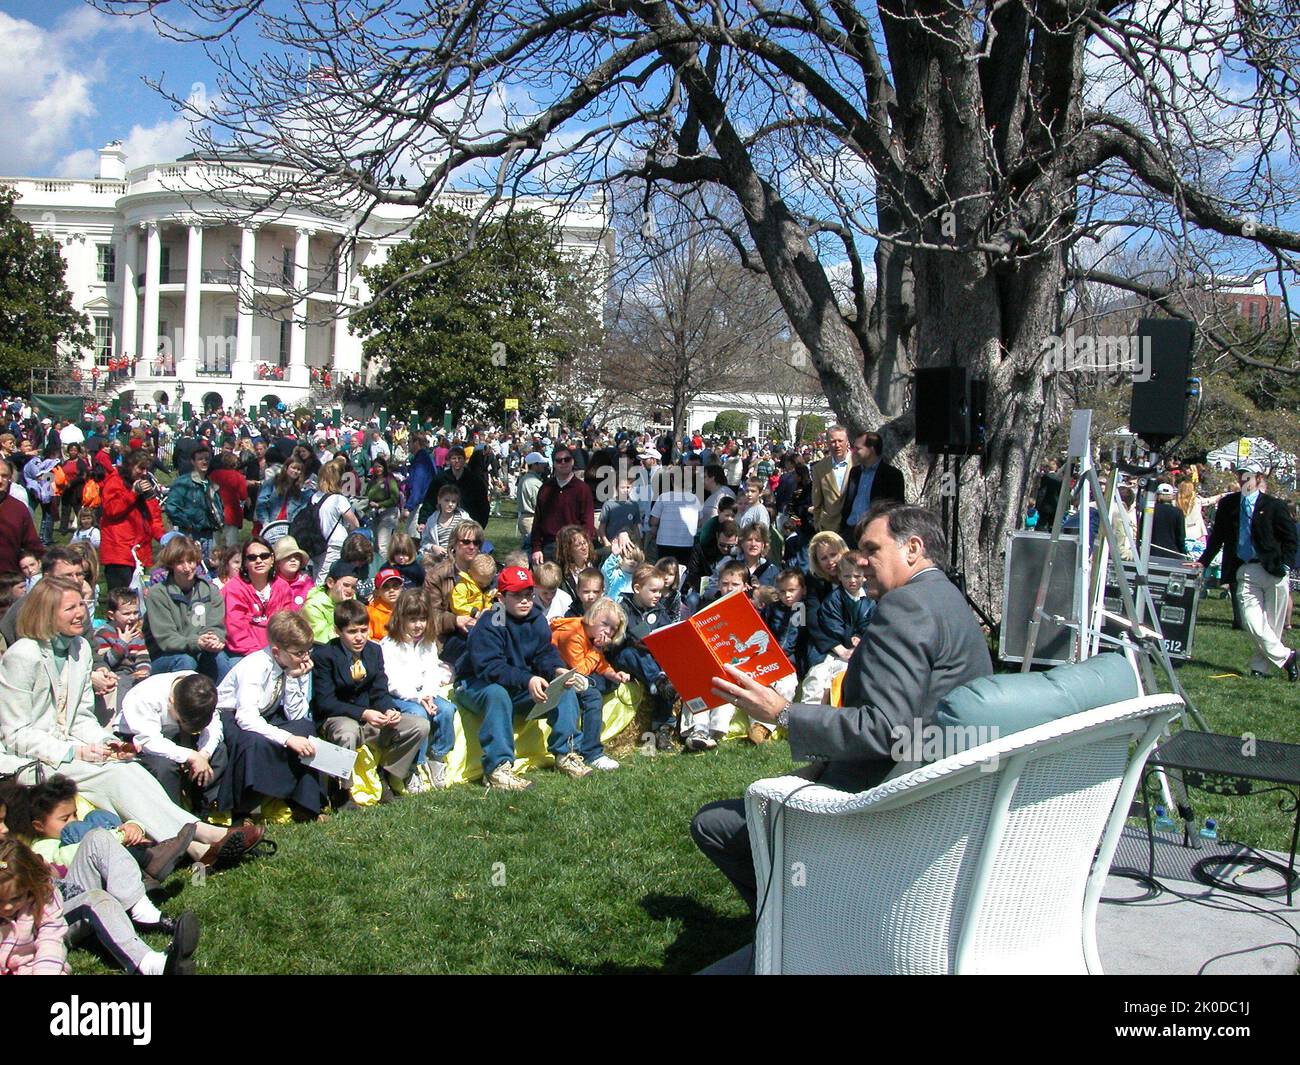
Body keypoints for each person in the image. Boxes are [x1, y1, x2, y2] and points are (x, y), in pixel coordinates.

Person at [691, 502, 993, 911]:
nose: (861, 561)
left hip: (880, 808)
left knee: (714, 824)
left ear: (913, 548)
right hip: (931, 793)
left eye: (871, 549)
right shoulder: (947, 597)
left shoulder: (905, 606)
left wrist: (782, 712)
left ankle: (798, 925)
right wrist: (820, 765)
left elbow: (884, 728)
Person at [0, 578, 262, 869]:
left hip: (69, 748)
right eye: (69, 608)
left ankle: (199, 848)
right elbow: (15, 733)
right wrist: (74, 752)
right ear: (47, 612)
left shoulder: (80, 649)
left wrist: (107, 744)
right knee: (116, 777)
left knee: (129, 768)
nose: (80, 613)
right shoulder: (23, 655)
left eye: (81, 605)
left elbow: (81, 718)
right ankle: (203, 835)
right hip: (31, 758)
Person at [454, 565, 590, 790]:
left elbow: (544, 652)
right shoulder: (492, 620)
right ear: (500, 597)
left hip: (516, 686)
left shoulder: (535, 618)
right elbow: (490, 667)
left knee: (563, 688)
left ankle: (567, 754)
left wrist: (557, 669)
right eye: (517, 595)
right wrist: (527, 679)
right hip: (475, 683)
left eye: (528, 594)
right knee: (497, 693)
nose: (525, 601)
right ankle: (498, 769)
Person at [312, 599, 431, 806]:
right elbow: (326, 702)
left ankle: (385, 775)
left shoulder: (374, 651)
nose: (359, 637)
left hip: (370, 719)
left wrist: (389, 709)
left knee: (419, 725)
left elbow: (380, 691)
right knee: (347, 732)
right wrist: (364, 713)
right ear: (337, 631)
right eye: (352, 631)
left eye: (363, 630)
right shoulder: (325, 655)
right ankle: (341, 790)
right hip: (338, 717)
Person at [217, 611, 327, 820]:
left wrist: (295, 679)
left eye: (307, 651)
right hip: (232, 715)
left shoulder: (294, 665)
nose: (305, 657)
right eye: (298, 653)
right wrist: (287, 739)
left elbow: (296, 714)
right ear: (277, 651)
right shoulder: (255, 666)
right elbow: (246, 717)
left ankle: (305, 805)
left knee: (305, 729)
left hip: (266, 713)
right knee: (252, 741)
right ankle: (245, 810)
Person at [1198, 462, 1298, 680]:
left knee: (1271, 625)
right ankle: (1287, 657)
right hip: (1245, 568)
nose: (1244, 481)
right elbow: (1218, 537)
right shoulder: (1229, 504)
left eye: (1248, 477)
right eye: (1241, 476)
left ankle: (1259, 668)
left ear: (1259, 478)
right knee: (1251, 621)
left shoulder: (1274, 506)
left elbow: (1291, 539)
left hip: (1273, 570)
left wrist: (1286, 565)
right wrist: (1203, 561)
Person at [115, 671, 228, 815]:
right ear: (171, 700)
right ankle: (172, 817)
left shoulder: (200, 690)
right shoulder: (145, 696)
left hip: (176, 735)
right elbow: (149, 741)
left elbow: (213, 726)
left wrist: (203, 754)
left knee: (218, 750)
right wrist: (191, 755)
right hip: (136, 739)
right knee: (164, 767)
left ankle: (204, 811)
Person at [380, 590, 457, 791]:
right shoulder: (390, 645)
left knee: (447, 709)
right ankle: (414, 765)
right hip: (401, 696)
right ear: (401, 618)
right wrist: (417, 698)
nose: (418, 625)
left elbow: (433, 671)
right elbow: (392, 682)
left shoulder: (428, 643)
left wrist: (429, 694)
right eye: (412, 619)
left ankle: (437, 757)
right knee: (419, 715)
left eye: (422, 619)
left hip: (425, 694)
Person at [549, 597, 630, 771]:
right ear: (592, 617)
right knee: (592, 695)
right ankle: (592, 753)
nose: (608, 631)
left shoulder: (591, 634)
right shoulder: (571, 633)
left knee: (603, 683)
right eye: (605, 624)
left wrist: (615, 675)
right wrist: (597, 649)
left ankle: (590, 751)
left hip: (575, 677)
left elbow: (599, 663)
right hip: (556, 678)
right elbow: (580, 671)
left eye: (613, 629)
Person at [144, 536, 233, 682]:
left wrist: (213, 639)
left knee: (220, 659)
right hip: (166, 656)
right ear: (171, 564)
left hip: (200, 648)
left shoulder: (209, 590)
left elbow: (216, 625)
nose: (187, 568)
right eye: (180, 562)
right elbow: (166, 638)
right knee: (186, 661)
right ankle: (182, 703)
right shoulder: (158, 594)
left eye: (190, 561)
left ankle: (224, 702)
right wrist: (196, 642)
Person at [100, 449, 165, 592]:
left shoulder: (144, 484)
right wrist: (132, 494)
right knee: (121, 597)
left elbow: (153, 516)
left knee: (139, 598)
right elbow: (111, 510)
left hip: (140, 549)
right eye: (141, 468)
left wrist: (164, 538)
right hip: (120, 550)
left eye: (146, 469)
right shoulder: (115, 481)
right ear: (130, 466)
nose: (144, 472)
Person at [529, 444, 596, 565]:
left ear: (573, 461)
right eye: (559, 460)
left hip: (574, 547)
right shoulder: (546, 489)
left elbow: (588, 522)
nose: (563, 463)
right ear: (554, 464)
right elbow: (538, 521)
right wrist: (536, 548)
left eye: (567, 459)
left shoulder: (582, 489)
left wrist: (584, 547)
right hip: (549, 547)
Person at [838, 430, 906, 538]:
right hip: (850, 531)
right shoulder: (855, 472)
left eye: (858, 448)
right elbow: (849, 501)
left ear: (872, 449)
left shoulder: (892, 475)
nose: (853, 451)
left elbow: (896, 508)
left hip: (875, 533)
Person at [163, 443, 224, 560]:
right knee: (190, 563)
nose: (204, 462)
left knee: (208, 566)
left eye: (207, 459)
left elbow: (217, 507)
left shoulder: (211, 483)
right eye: (200, 459)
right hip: (189, 533)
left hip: (209, 533)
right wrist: (188, 523)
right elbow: (171, 507)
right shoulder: (183, 483)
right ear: (193, 461)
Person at [221, 537, 278, 659]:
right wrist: (261, 656)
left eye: (264, 556)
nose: (259, 561)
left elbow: (286, 626)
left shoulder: (282, 587)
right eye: (252, 558)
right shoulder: (234, 588)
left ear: (272, 559)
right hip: (242, 654)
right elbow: (236, 631)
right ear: (245, 563)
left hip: (278, 653)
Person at [307, 461, 360, 585]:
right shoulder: (338, 499)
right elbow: (355, 523)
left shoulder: (314, 497)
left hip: (316, 544)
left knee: (317, 575)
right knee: (325, 581)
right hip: (334, 544)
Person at [0, 457, 42, 576]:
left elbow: (32, 545)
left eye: (4, 476)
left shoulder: (18, 508)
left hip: (10, 579)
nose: (0, 480)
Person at [810, 425, 852, 532]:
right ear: (827, 443)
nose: (837, 445)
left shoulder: (859, 463)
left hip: (854, 526)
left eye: (840, 441)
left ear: (847, 441)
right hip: (829, 527)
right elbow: (817, 499)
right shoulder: (819, 468)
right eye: (833, 441)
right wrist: (817, 522)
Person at [515, 451, 548, 542]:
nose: (543, 466)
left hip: (526, 519)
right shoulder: (533, 482)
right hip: (531, 520)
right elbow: (539, 504)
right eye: (541, 464)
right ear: (534, 465)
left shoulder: (525, 478)